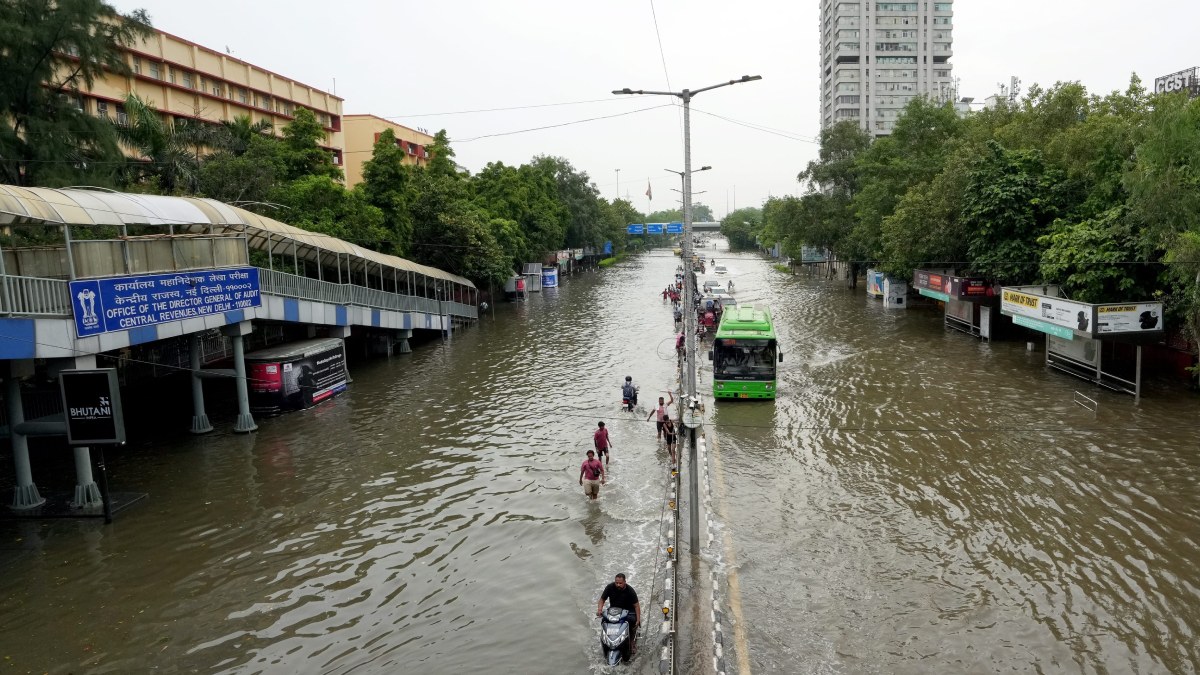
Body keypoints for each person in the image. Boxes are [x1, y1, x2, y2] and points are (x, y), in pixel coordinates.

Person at [597, 573, 641, 654]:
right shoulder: (609, 587)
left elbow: (636, 606)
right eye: (616, 583)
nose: (618, 585)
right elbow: (602, 600)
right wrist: (600, 609)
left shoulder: (630, 590)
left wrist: (638, 620)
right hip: (614, 611)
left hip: (628, 611)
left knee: (632, 622)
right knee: (604, 621)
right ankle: (605, 640)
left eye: (620, 583)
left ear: (625, 582)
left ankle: (631, 642)